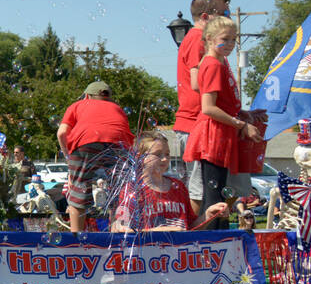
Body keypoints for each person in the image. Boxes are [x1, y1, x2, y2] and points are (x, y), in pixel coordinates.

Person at [183, 15, 258, 220]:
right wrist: (241, 124)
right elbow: (208, 108)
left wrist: (241, 114)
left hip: (219, 135)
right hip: (214, 137)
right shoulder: (214, 65)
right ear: (209, 38)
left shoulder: (215, 63)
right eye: (225, 39)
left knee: (217, 197)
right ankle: (210, 242)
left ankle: (215, 240)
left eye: (234, 39)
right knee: (214, 200)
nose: (230, 44)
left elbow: (211, 96)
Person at [173, 0, 231, 215]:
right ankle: (196, 238)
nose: (227, 18)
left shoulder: (194, 39)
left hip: (198, 123)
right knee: (201, 191)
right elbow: (199, 82)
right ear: (206, 17)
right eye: (224, 13)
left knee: (207, 189)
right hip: (197, 123)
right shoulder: (199, 39)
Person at [112, 131, 228, 231]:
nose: (165, 159)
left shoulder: (178, 187)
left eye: (167, 154)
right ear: (139, 157)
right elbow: (124, 231)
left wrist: (207, 216)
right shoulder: (132, 190)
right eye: (158, 154)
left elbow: (190, 229)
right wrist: (160, 231)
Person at [57, 81, 132, 233]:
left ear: (86, 96)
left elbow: (62, 133)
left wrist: (68, 155)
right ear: (109, 98)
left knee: (79, 191)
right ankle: (116, 232)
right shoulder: (117, 108)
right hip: (119, 143)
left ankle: (76, 238)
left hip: (85, 142)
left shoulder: (78, 105)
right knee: (118, 192)